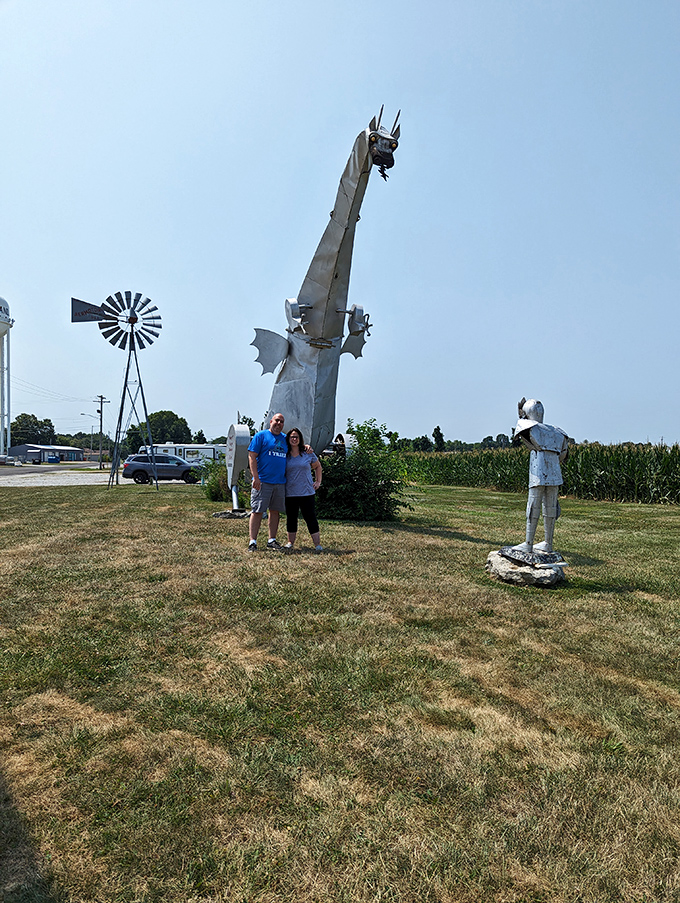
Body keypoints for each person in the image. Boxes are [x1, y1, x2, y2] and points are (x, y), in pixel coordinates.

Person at [511, 397, 568, 554]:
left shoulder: (527, 425)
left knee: (533, 506)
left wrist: (521, 416)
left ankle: (529, 544)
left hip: (538, 470)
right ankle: (548, 544)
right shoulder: (557, 431)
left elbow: (526, 439)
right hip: (555, 471)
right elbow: (563, 453)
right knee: (550, 506)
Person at [247, 413, 288, 551]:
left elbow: (296, 449)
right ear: (271, 421)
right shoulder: (261, 436)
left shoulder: (285, 439)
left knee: (275, 511)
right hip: (263, 481)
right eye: (277, 420)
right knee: (257, 511)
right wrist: (256, 477)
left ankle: (272, 540)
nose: (279, 423)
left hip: (280, 482)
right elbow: (252, 456)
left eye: (281, 422)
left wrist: (306, 447)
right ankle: (252, 541)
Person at [284, 427, 323, 552]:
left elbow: (318, 467)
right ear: (288, 439)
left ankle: (317, 544)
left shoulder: (307, 453)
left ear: (300, 439)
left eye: (296, 437)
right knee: (291, 518)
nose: (294, 439)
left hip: (307, 492)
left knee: (310, 517)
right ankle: (290, 542)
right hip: (290, 493)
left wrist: (318, 482)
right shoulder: (285, 455)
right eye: (291, 437)